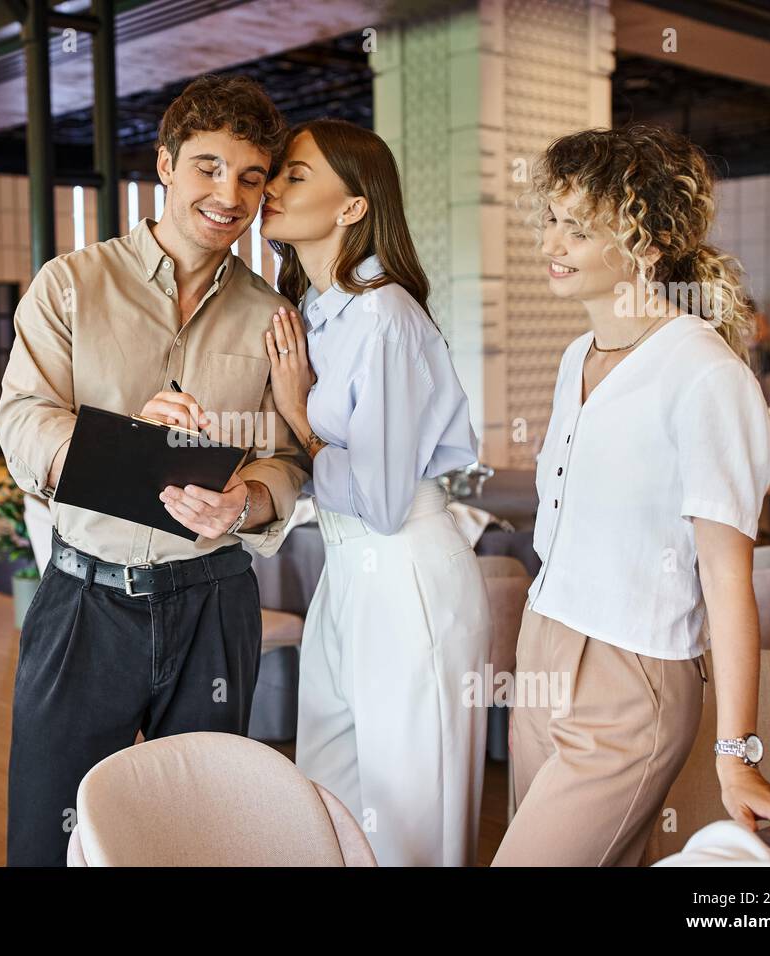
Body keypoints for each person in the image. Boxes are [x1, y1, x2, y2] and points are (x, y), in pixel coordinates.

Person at [491, 125, 770, 866]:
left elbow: (728, 581)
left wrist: (738, 755)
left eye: (581, 227)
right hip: (543, 643)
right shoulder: (576, 357)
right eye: (552, 220)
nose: (552, 244)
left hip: (633, 675)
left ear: (649, 244)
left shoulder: (705, 374)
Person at [0, 75, 311, 866]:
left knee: (197, 837)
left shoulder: (273, 313)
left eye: (249, 177)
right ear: (165, 166)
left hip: (215, 605)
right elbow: (23, 418)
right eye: (207, 166)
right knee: (48, 834)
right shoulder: (70, 284)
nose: (228, 194)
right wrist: (127, 440)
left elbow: (289, 455)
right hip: (84, 605)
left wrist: (247, 503)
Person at [260, 118, 492, 866]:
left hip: (406, 573)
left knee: (406, 817)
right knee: (326, 793)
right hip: (347, 572)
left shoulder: (387, 317)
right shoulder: (318, 317)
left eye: (295, 174)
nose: (270, 186)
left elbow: (385, 499)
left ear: (353, 206)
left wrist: (300, 413)